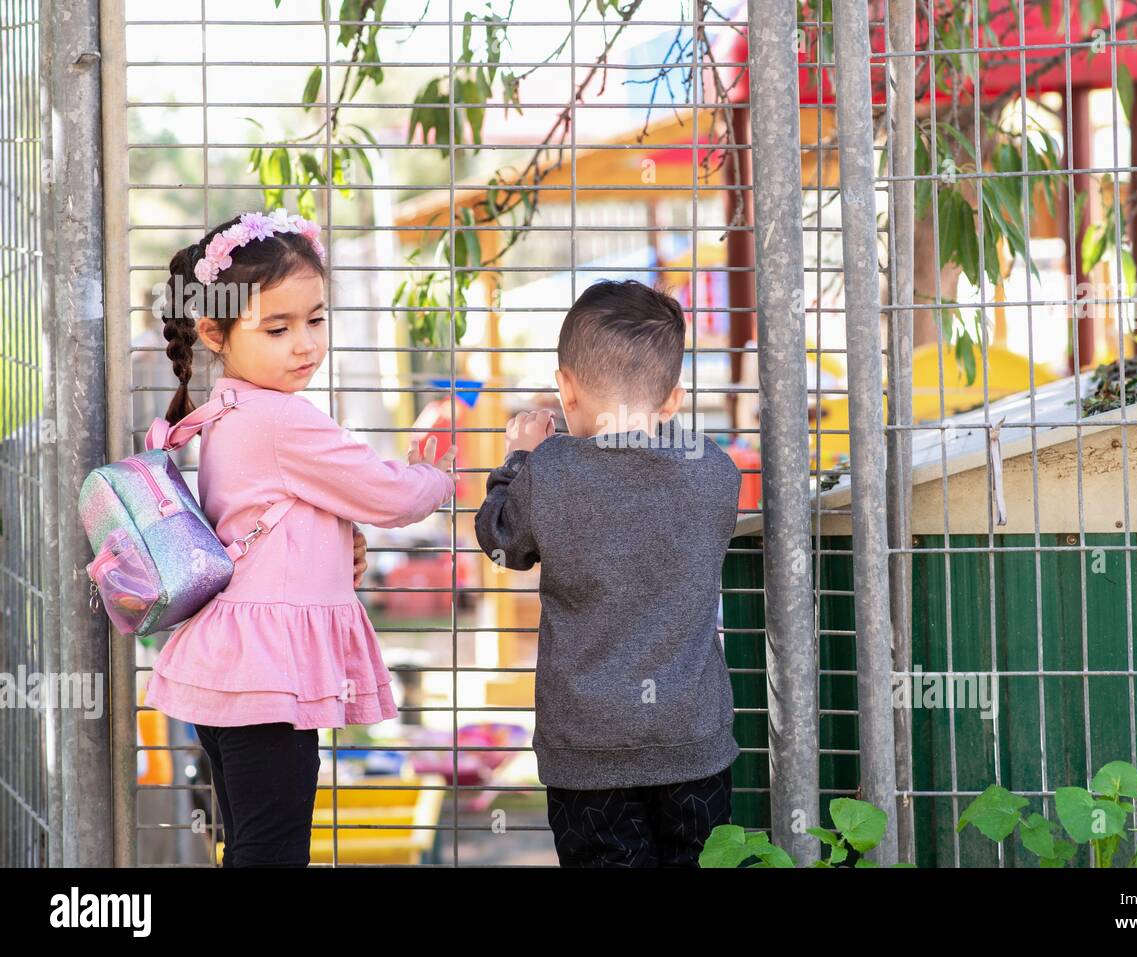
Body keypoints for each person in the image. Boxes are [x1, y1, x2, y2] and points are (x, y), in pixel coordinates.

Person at [142, 209, 457, 867]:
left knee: (252, 842)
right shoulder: (285, 417)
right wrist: (438, 477)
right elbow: (389, 493)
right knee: (273, 849)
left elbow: (271, 517)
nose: (305, 343)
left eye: (315, 319)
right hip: (266, 678)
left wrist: (337, 541)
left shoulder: (226, 409)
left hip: (231, 668)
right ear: (215, 333)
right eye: (278, 327)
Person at [474, 278, 742, 867]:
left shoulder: (550, 471)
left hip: (588, 749)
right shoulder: (716, 473)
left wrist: (517, 458)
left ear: (565, 389)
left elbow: (501, 542)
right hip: (692, 743)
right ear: (674, 399)